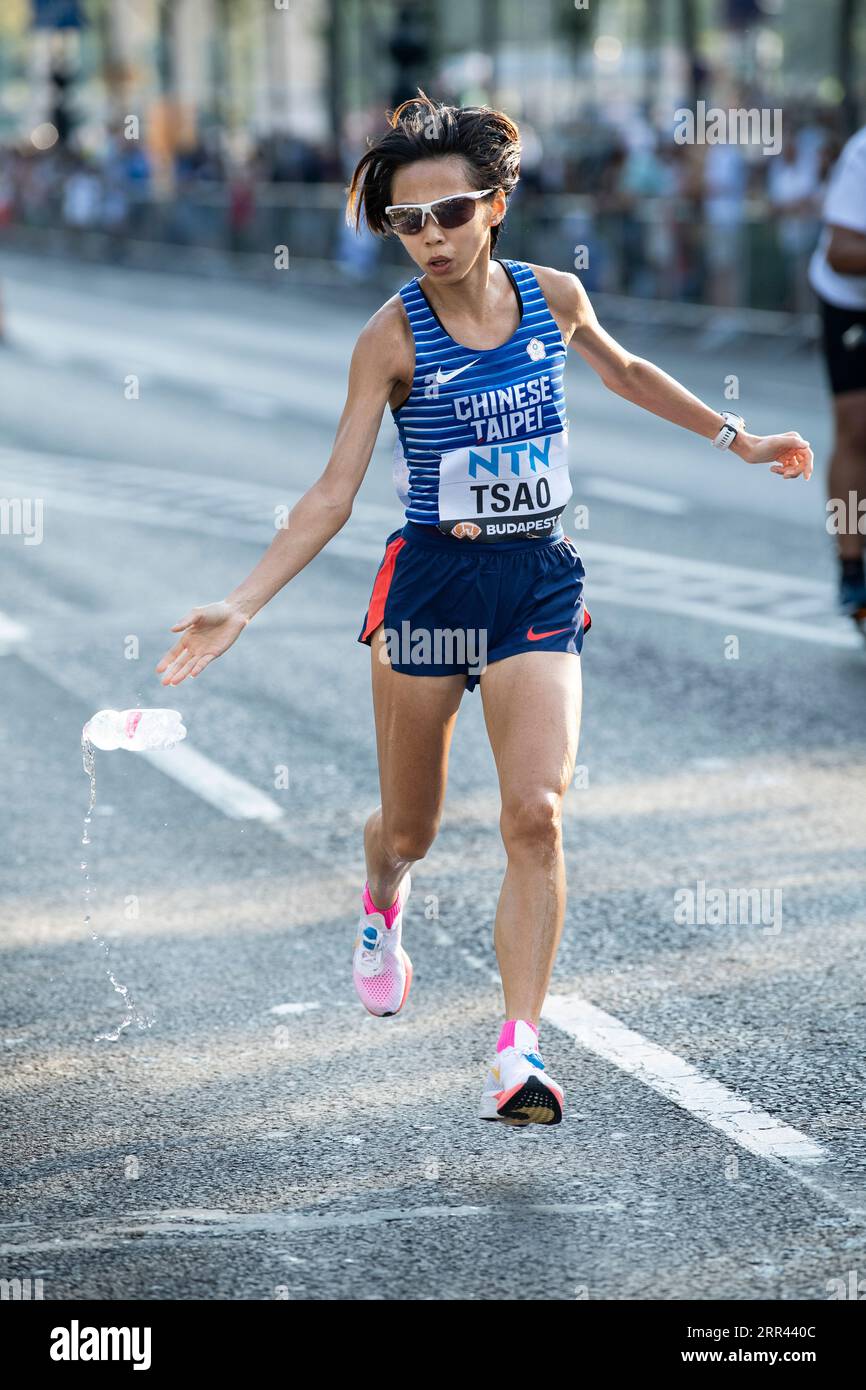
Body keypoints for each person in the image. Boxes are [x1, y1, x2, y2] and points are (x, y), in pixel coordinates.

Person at [155, 93, 812, 1128]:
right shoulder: (386, 337)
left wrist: (737, 438)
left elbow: (628, 371)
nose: (429, 238)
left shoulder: (552, 298)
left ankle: (518, 1051)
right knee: (412, 827)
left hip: (535, 580)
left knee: (534, 814)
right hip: (429, 587)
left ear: (497, 204)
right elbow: (332, 491)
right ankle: (381, 895)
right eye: (405, 223)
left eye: (450, 213)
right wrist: (240, 604)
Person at [808, 123, 866, 618]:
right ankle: (851, 564)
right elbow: (841, 251)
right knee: (856, 429)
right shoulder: (863, 150)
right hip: (852, 302)